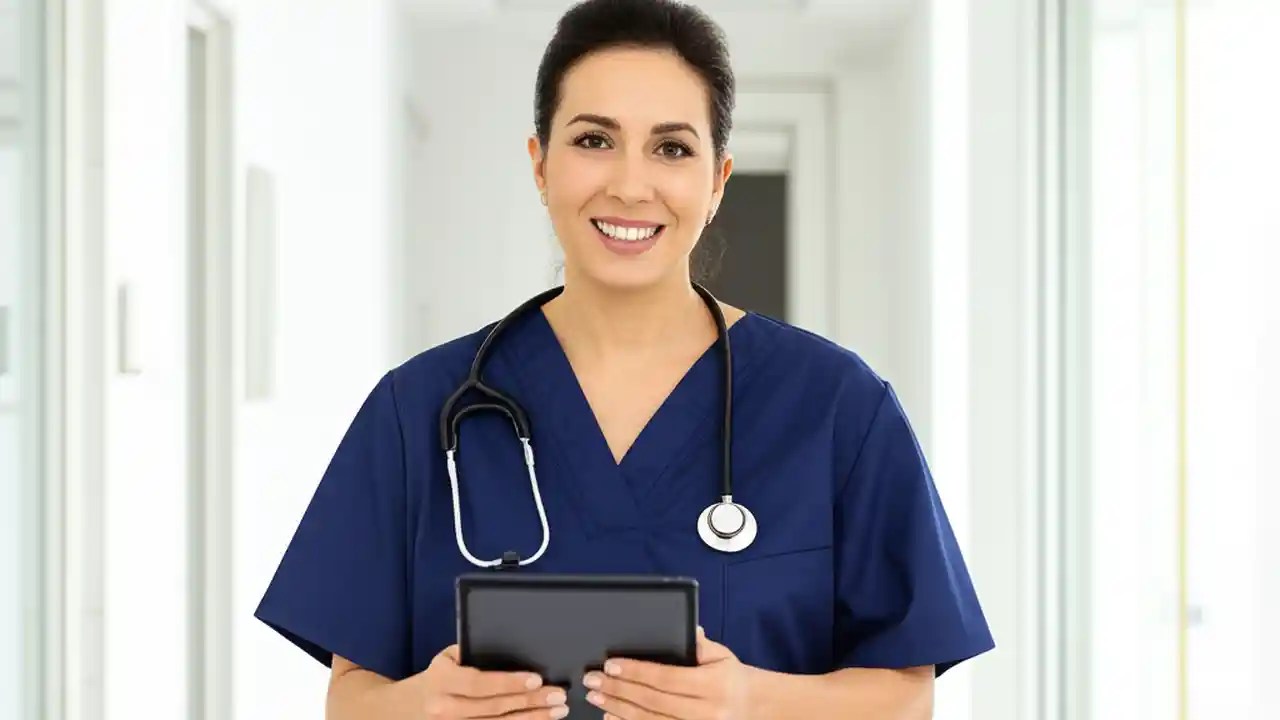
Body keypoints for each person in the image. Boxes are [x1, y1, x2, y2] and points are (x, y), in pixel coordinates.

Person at [254, 0, 994, 717]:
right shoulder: (418, 409)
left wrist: (755, 702)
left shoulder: (837, 408)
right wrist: (424, 707)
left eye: (671, 148)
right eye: (593, 140)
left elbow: (905, 693)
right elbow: (352, 696)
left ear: (716, 182)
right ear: (540, 164)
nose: (630, 184)